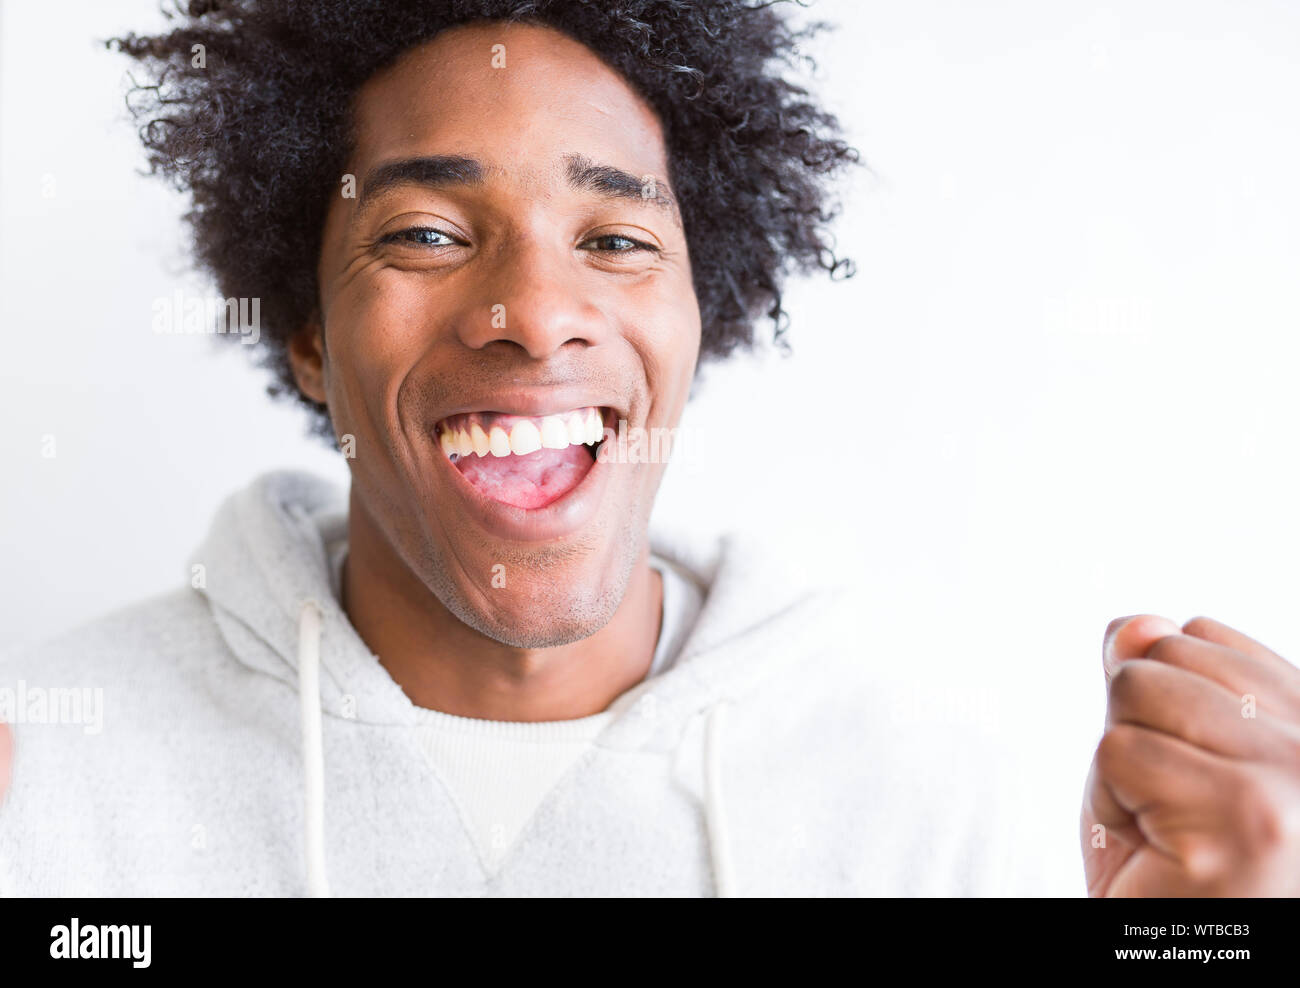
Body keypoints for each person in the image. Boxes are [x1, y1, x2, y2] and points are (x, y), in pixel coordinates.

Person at [1, 0, 1297, 897]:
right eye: (428, 236)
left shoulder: (926, 797)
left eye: (617, 241)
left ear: (700, 315)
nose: (538, 314)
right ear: (306, 338)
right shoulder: (53, 776)